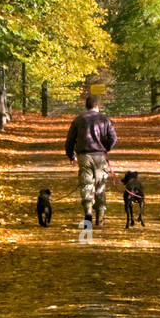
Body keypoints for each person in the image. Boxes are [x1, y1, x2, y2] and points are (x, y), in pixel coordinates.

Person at [65, 93, 117, 227]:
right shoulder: (105, 120)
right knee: (100, 185)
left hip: (84, 156)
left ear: (86, 106)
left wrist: (71, 156)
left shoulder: (78, 120)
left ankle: (88, 210)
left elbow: (70, 141)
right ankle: (100, 216)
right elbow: (113, 138)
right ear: (98, 106)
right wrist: (105, 148)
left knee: (86, 184)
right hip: (100, 156)